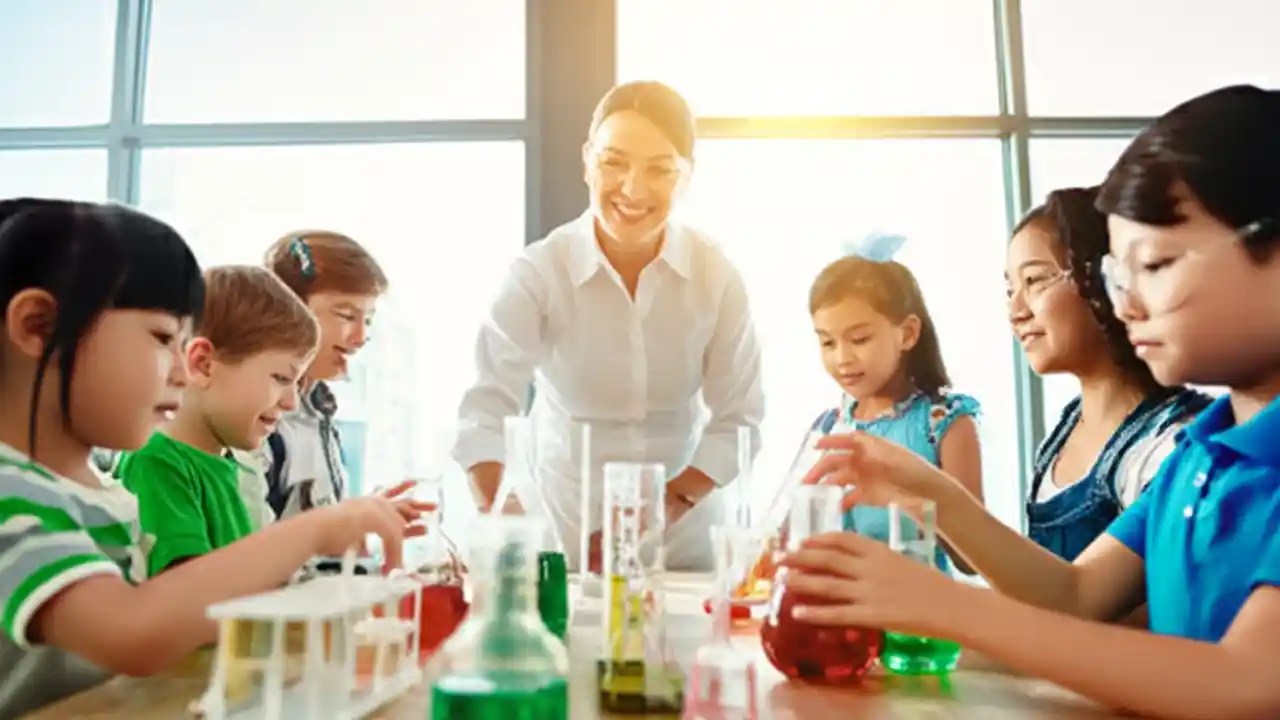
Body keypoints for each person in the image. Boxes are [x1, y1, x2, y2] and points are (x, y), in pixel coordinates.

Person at [783, 85, 1280, 719]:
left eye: (1156, 265)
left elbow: (1248, 684)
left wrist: (940, 604)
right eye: (1115, 278)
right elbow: (1075, 593)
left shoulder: (1183, 445)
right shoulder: (1197, 455)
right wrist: (924, 487)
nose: (1125, 305)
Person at [0, 199, 422, 718]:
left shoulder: (95, 490)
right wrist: (312, 531)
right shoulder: (10, 493)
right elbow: (132, 632)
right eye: (161, 338)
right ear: (38, 327)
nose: (182, 368)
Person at [453, 81, 764, 571]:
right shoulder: (539, 273)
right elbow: (484, 413)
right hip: (566, 538)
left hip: (683, 542)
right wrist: (504, 523)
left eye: (660, 169)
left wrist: (663, 508)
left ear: (687, 176)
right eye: (613, 162)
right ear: (586, 160)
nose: (633, 189)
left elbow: (739, 418)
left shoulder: (716, 275)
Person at [1008, 187, 1209, 560]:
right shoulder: (1062, 434)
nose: (1016, 310)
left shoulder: (1171, 443)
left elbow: (1096, 602)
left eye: (1034, 281)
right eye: (1010, 289)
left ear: (1104, 278)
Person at [117, 265, 319, 578]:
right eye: (281, 377)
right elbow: (187, 595)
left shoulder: (233, 465)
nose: (291, 402)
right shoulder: (157, 462)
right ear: (204, 364)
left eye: (298, 385)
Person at [806, 232, 982, 570]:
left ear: (909, 334)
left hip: (920, 616)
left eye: (859, 339)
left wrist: (913, 501)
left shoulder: (944, 423)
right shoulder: (830, 428)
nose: (842, 358)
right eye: (827, 343)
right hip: (846, 611)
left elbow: (971, 560)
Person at [261, 231, 389, 517]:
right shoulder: (259, 421)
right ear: (289, 309)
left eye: (368, 320)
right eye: (346, 316)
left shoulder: (319, 409)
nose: (360, 337)